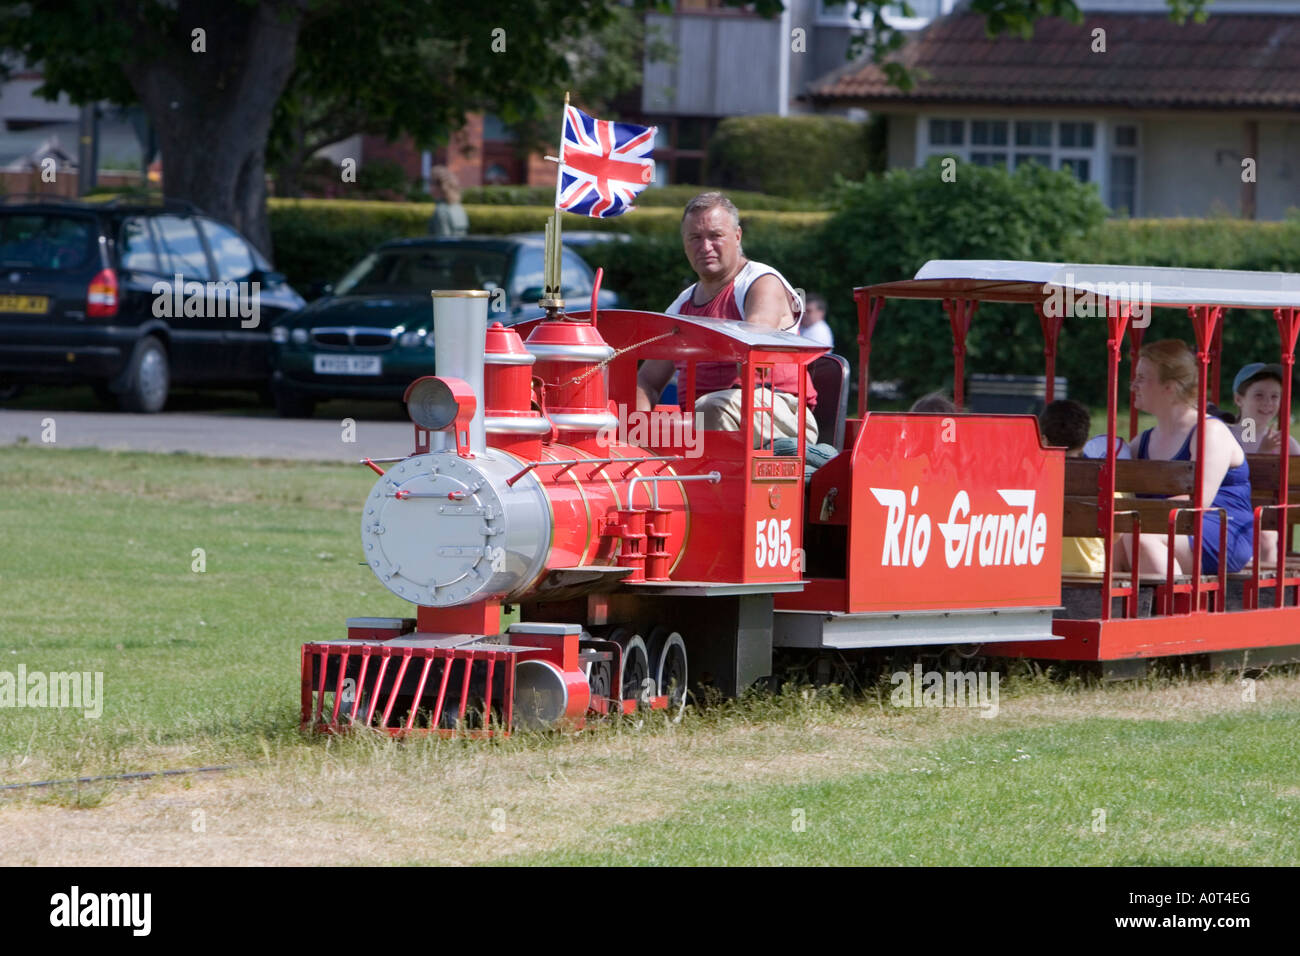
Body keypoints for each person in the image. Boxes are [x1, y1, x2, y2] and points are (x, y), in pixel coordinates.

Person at [636, 192, 818, 444]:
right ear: (684, 243)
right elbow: (647, 379)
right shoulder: (681, 306)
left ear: (737, 236)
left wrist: (678, 427)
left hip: (779, 413)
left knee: (710, 409)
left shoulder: (761, 283)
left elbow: (753, 348)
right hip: (706, 417)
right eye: (695, 238)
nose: (705, 247)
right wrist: (635, 425)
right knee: (623, 423)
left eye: (715, 236)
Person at [1117, 339, 1253, 576]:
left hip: (1222, 531)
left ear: (1169, 386)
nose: (1133, 385)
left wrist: (1135, 513)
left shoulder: (1211, 432)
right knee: (1116, 538)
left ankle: (1170, 608)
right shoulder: (1143, 441)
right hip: (1166, 527)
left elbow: (1199, 501)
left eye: (1142, 378)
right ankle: (1119, 609)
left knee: (1141, 537)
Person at [1040, 399, 1130, 574]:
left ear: (1044, 440)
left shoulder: (1035, 480)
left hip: (1044, 575)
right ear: (1085, 440)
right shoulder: (1103, 482)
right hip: (1091, 575)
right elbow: (1116, 533)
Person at [1229, 362, 1300, 455]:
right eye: (1259, 395)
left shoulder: (1287, 445)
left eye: (1274, 396)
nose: (1268, 403)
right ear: (1238, 399)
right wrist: (1263, 451)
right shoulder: (1223, 437)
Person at [427, 166, 468, 237]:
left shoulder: (440, 211)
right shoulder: (458, 207)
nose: (429, 187)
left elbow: (442, 242)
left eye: (430, 182)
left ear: (440, 186)